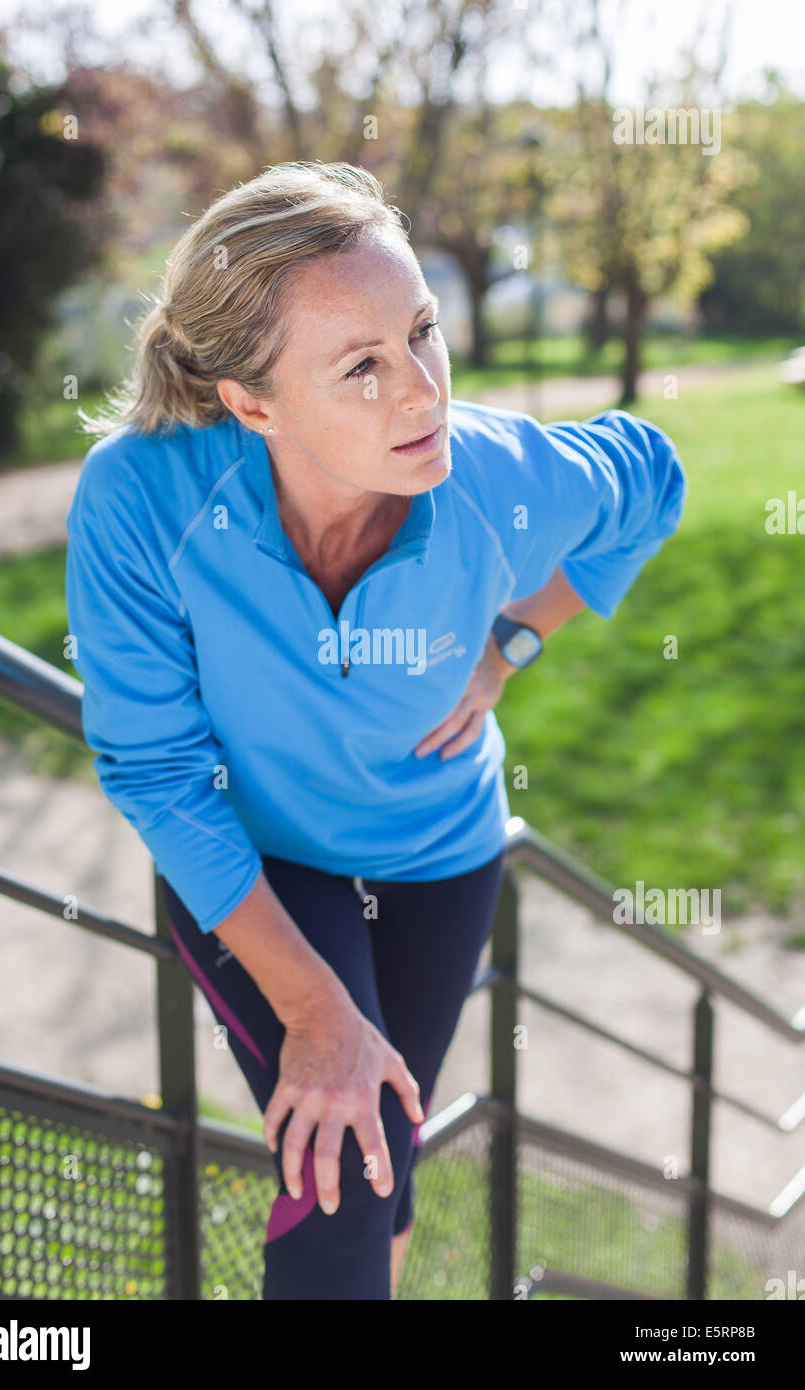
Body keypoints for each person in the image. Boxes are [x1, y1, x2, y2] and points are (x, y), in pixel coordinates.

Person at [64, 160, 687, 1301]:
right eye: (360, 366)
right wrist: (316, 1011)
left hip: (441, 855)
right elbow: (155, 771)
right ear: (249, 403)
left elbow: (653, 475)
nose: (421, 392)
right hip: (261, 864)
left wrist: (511, 646)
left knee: (383, 1167)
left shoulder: (498, 477)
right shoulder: (140, 498)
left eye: (423, 333)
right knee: (349, 1175)